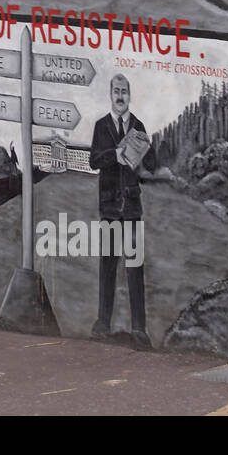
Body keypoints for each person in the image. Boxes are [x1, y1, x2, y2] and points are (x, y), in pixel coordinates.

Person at [87, 74, 158, 350]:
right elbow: (94, 160)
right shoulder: (101, 127)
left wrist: (146, 148)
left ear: (130, 95)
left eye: (124, 91)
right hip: (108, 207)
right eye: (116, 91)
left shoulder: (138, 126)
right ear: (110, 94)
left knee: (135, 268)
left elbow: (151, 165)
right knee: (107, 266)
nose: (120, 96)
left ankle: (139, 329)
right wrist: (113, 155)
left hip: (131, 208)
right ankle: (102, 323)